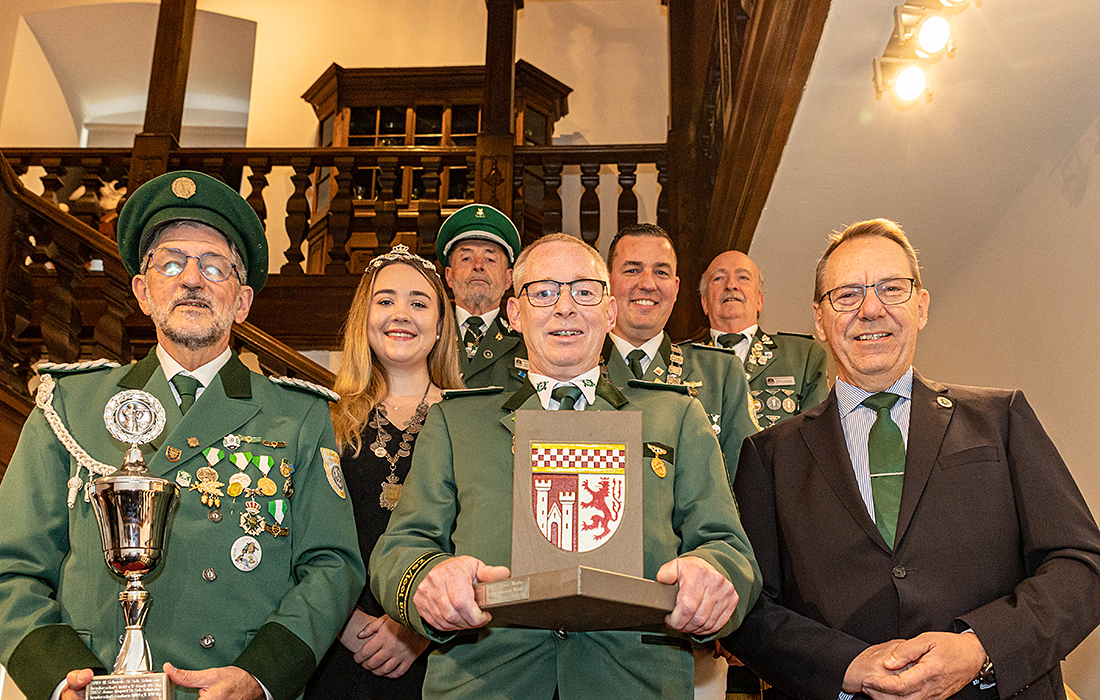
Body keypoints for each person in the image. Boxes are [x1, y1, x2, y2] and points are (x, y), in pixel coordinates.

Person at [0, 170, 365, 700]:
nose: (191, 279)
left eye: (214, 267)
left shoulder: (298, 417)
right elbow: (11, 564)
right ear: (142, 293)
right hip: (93, 686)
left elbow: (332, 565)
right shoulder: (70, 405)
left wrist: (262, 676)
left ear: (241, 302)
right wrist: (60, 678)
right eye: (170, 263)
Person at [371, 233, 761, 700]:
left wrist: (709, 574)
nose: (565, 307)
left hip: (635, 684)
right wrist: (429, 579)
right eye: (543, 291)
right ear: (515, 313)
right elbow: (400, 548)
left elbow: (729, 548)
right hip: (487, 683)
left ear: (610, 311)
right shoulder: (457, 422)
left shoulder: (675, 416)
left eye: (583, 290)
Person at [723, 219, 1100, 700]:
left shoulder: (1001, 419)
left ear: (920, 306)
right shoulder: (768, 455)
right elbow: (750, 609)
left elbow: (1081, 564)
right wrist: (846, 667)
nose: (871, 309)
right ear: (819, 321)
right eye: (847, 295)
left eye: (891, 289)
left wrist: (980, 648)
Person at [306, 244, 464, 699]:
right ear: (365, 318)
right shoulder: (322, 419)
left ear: (439, 327)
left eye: (419, 302)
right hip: (337, 645)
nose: (402, 314)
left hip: (437, 650)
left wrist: (417, 630)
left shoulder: (467, 421)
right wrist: (338, 618)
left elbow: (476, 540)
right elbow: (301, 536)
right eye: (386, 300)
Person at [602, 223, 758, 482]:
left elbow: (746, 482)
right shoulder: (576, 369)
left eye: (660, 272)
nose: (647, 284)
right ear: (607, 283)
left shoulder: (720, 374)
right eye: (632, 270)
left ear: (675, 289)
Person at [699, 250, 829, 428]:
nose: (731, 285)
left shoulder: (802, 356)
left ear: (760, 301)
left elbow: (817, 432)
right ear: (704, 302)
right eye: (718, 278)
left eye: (743, 277)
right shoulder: (683, 361)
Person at [436, 203, 527, 390]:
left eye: (490, 259)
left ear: (509, 278)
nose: (478, 266)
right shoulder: (429, 334)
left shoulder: (528, 339)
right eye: (466, 258)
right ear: (449, 276)